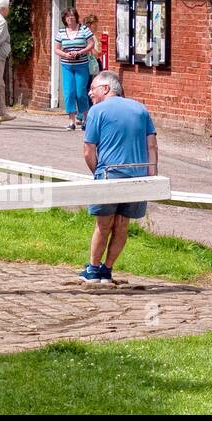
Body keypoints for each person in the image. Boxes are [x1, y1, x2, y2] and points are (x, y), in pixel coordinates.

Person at [79, 71, 158, 282]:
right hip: (138, 175)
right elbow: (152, 146)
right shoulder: (141, 109)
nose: (90, 93)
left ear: (106, 88)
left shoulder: (97, 111)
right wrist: (150, 176)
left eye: (93, 88)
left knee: (103, 224)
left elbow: (88, 150)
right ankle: (107, 269)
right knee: (123, 224)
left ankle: (93, 270)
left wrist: (98, 173)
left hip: (110, 173)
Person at [55, 7, 96, 130]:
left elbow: (91, 44)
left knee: (80, 92)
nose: (70, 18)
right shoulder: (61, 32)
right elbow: (56, 49)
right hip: (67, 66)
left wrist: (80, 52)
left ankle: (85, 119)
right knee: (69, 92)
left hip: (81, 65)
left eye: (72, 16)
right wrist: (65, 54)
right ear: (64, 19)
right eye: (68, 16)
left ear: (76, 17)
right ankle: (71, 121)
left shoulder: (84, 29)